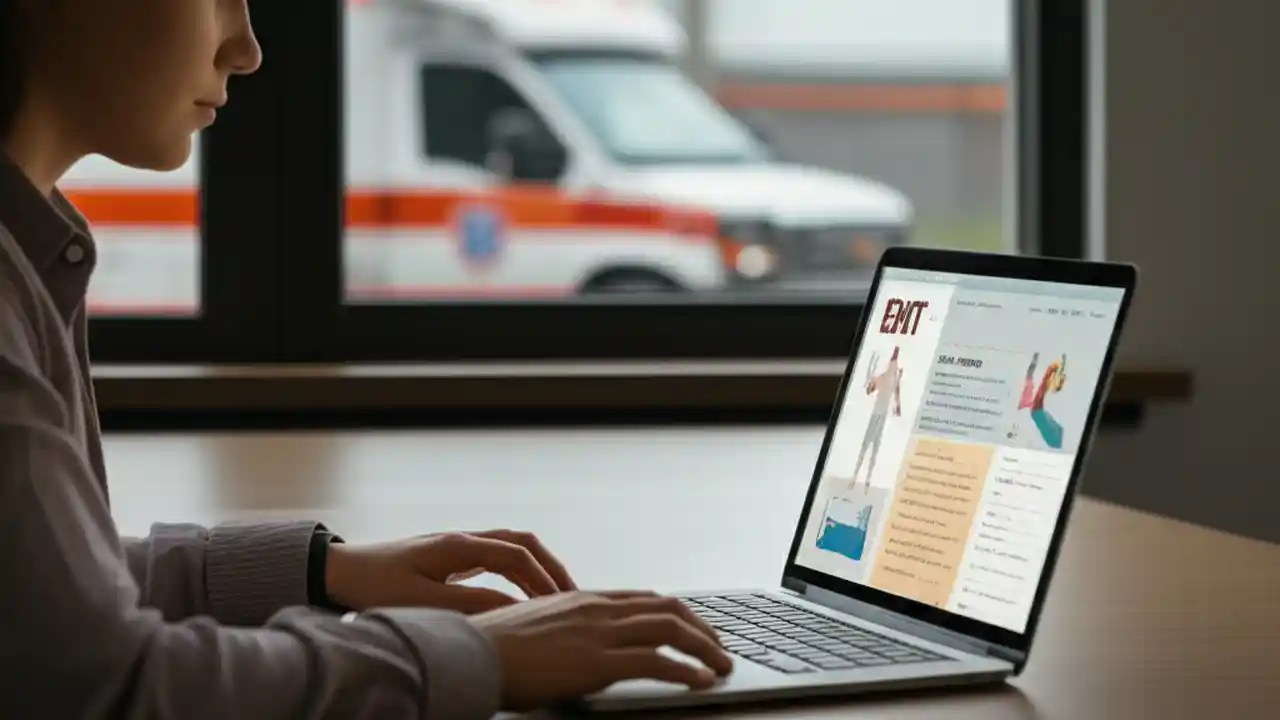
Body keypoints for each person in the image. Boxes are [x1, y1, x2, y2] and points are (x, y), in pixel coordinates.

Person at [0, 1, 731, 717]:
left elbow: (44, 603)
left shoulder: (26, 249)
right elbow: (104, 683)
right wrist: (476, 657)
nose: (245, 49)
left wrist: (323, 570)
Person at [846, 346, 903, 492]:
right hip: (876, 414)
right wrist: (872, 379)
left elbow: (896, 395)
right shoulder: (882, 378)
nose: (894, 366)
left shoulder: (895, 377)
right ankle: (854, 477)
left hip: (882, 416)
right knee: (866, 446)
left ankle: (867, 481)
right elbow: (869, 390)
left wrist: (897, 409)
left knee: (875, 448)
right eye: (893, 363)